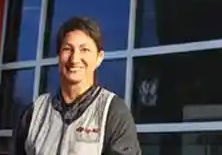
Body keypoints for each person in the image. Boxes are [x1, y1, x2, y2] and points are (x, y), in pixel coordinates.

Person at [12, 15, 140, 155]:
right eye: (67, 49)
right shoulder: (34, 113)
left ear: (99, 58)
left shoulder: (113, 112)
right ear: (58, 56)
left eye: (84, 50)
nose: (74, 59)